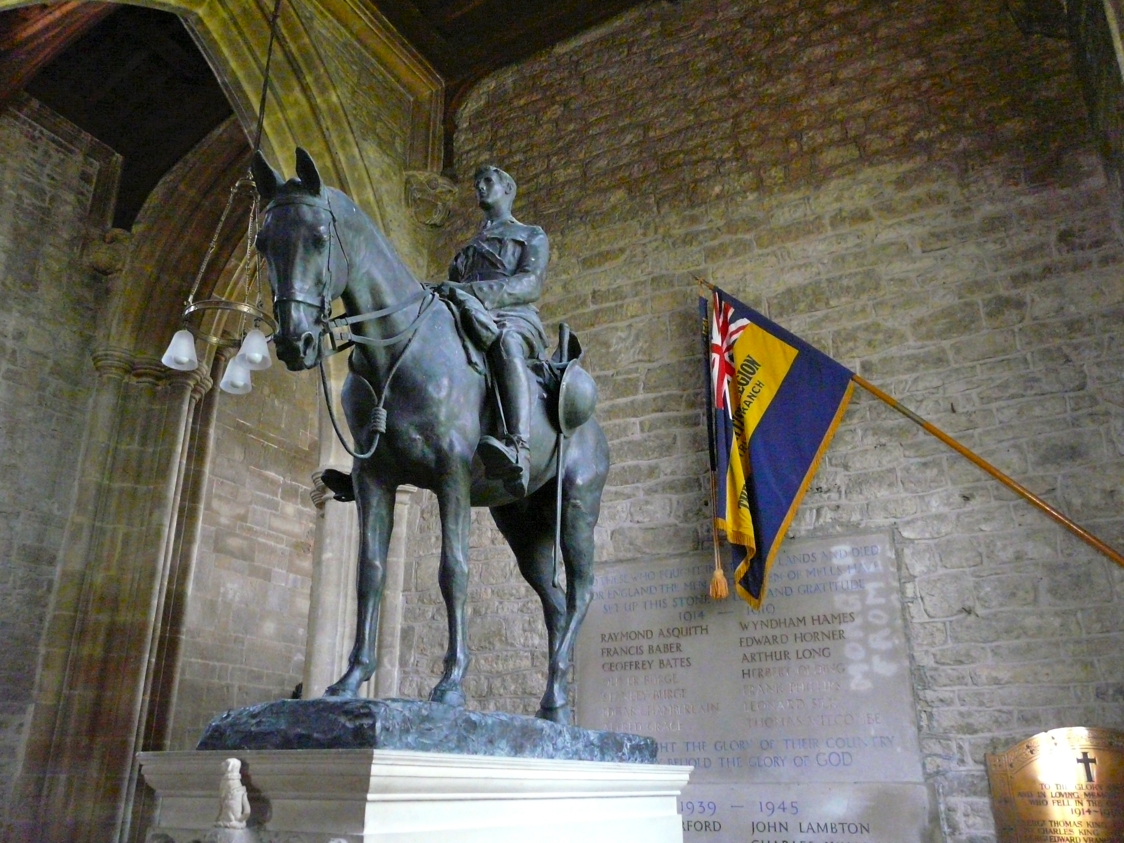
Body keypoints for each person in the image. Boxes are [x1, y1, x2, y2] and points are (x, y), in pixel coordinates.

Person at [440, 165, 548, 496]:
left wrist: (471, 294)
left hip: (514, 318)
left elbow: (530, 284)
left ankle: (519, 447)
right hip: (468, 318)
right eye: (476, 184)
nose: (480, 188)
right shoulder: (466, 252)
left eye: (488, 182)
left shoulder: (531, 235)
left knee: (505, 342)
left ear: (508, 189)